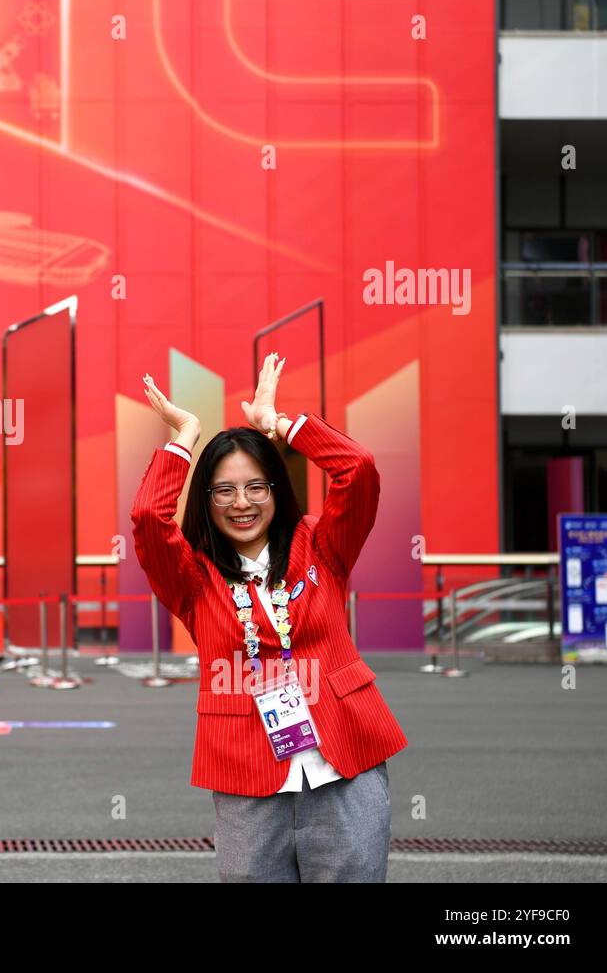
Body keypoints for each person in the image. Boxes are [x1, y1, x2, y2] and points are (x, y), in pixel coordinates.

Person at [132, 353, 408, 882]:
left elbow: (360, 469)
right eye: (225, 490)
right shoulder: (193, 578)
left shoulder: (323, 546)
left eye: (256, 486)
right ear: (207, 500)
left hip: (346, 765)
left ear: (277, 490)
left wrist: (279, 425)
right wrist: (186, 435)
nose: (243, 502)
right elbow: (148, 517)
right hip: (248, 780)